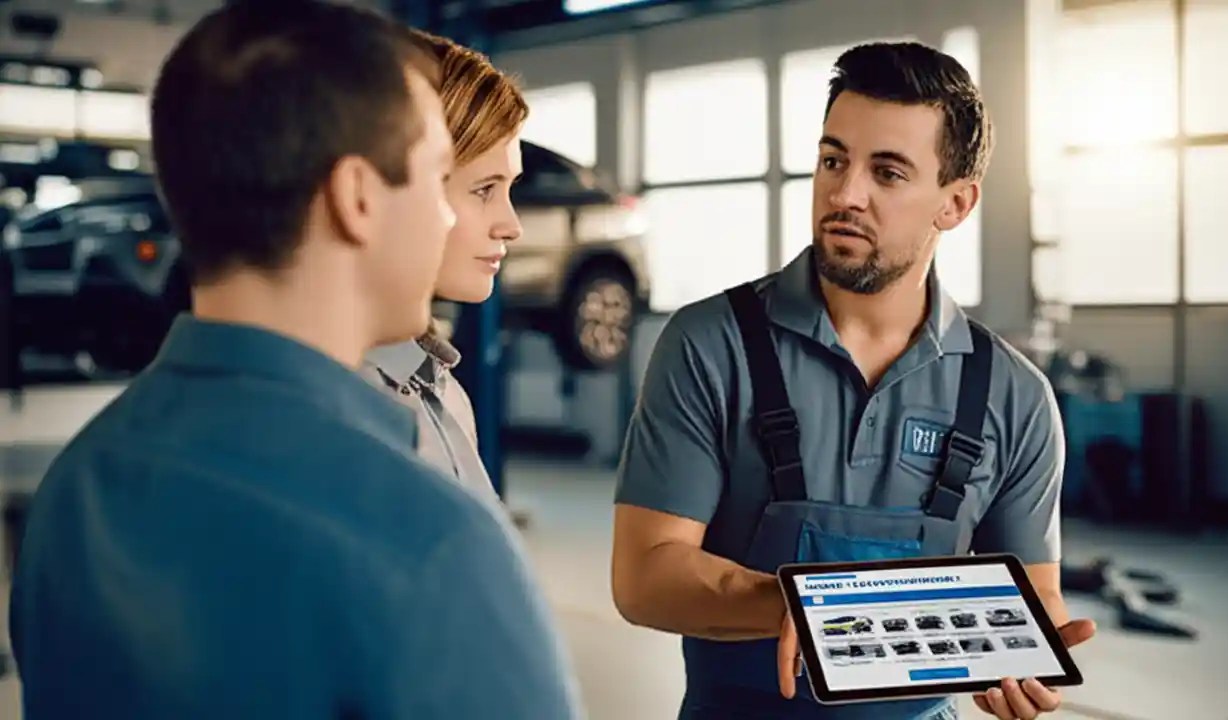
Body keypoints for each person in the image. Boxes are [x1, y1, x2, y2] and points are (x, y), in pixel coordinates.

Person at [8, 3, 581, 719]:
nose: (446, 218)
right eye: (438, 177)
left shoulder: (75, 493)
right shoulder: (429, 540)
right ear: (357, 198)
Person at [611, 41, 1094, 720]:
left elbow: (1032, 595)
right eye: (834, 159)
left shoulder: (1012, 395)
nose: (845, 194)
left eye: (887, 172)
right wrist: (809, 612)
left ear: (955, 203)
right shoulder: (710, 345)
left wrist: (1023, 652)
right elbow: (644, 577)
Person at [363, 30, 525, 500]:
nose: (511, 225)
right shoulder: (351, 412)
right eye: (484, 190)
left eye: (509, 189)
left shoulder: (444, 393)